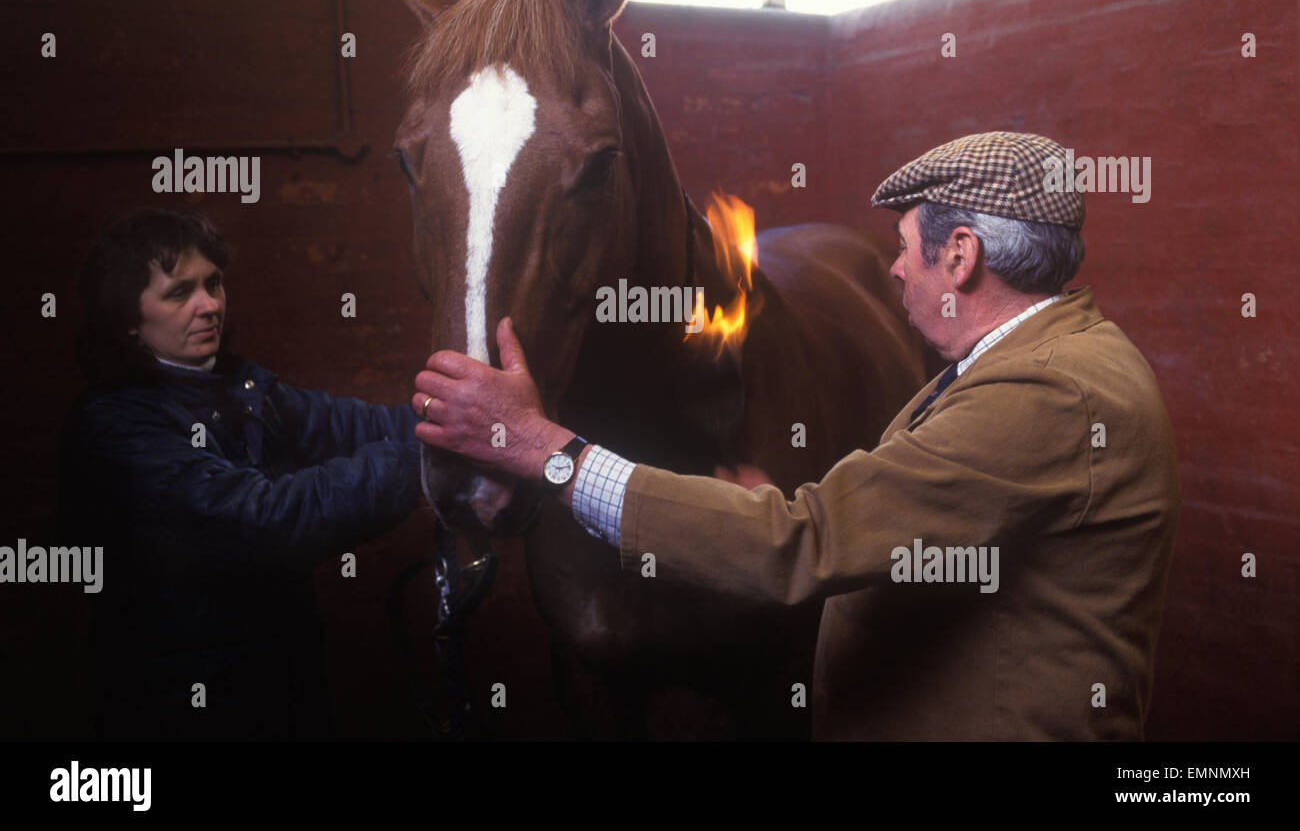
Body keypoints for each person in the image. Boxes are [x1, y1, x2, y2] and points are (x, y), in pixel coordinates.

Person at [408, 131, 1181, 740]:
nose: (894, 271)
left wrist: (551, 454)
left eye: (906, 247)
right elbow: (902, 513)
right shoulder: (1024, 361)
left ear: (962, 255)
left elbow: (801, 543)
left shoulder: (1046, 392)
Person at [59, 209, 425, 740]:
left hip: (284, 696)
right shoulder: (115, 425)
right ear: (127, 319)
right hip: (182, 712)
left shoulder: (241, 388)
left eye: (213, 283)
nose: (209, 305)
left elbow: (358, 427)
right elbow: (265, 522)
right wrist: (426, 462)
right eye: (179, 292)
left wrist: (466, 422)